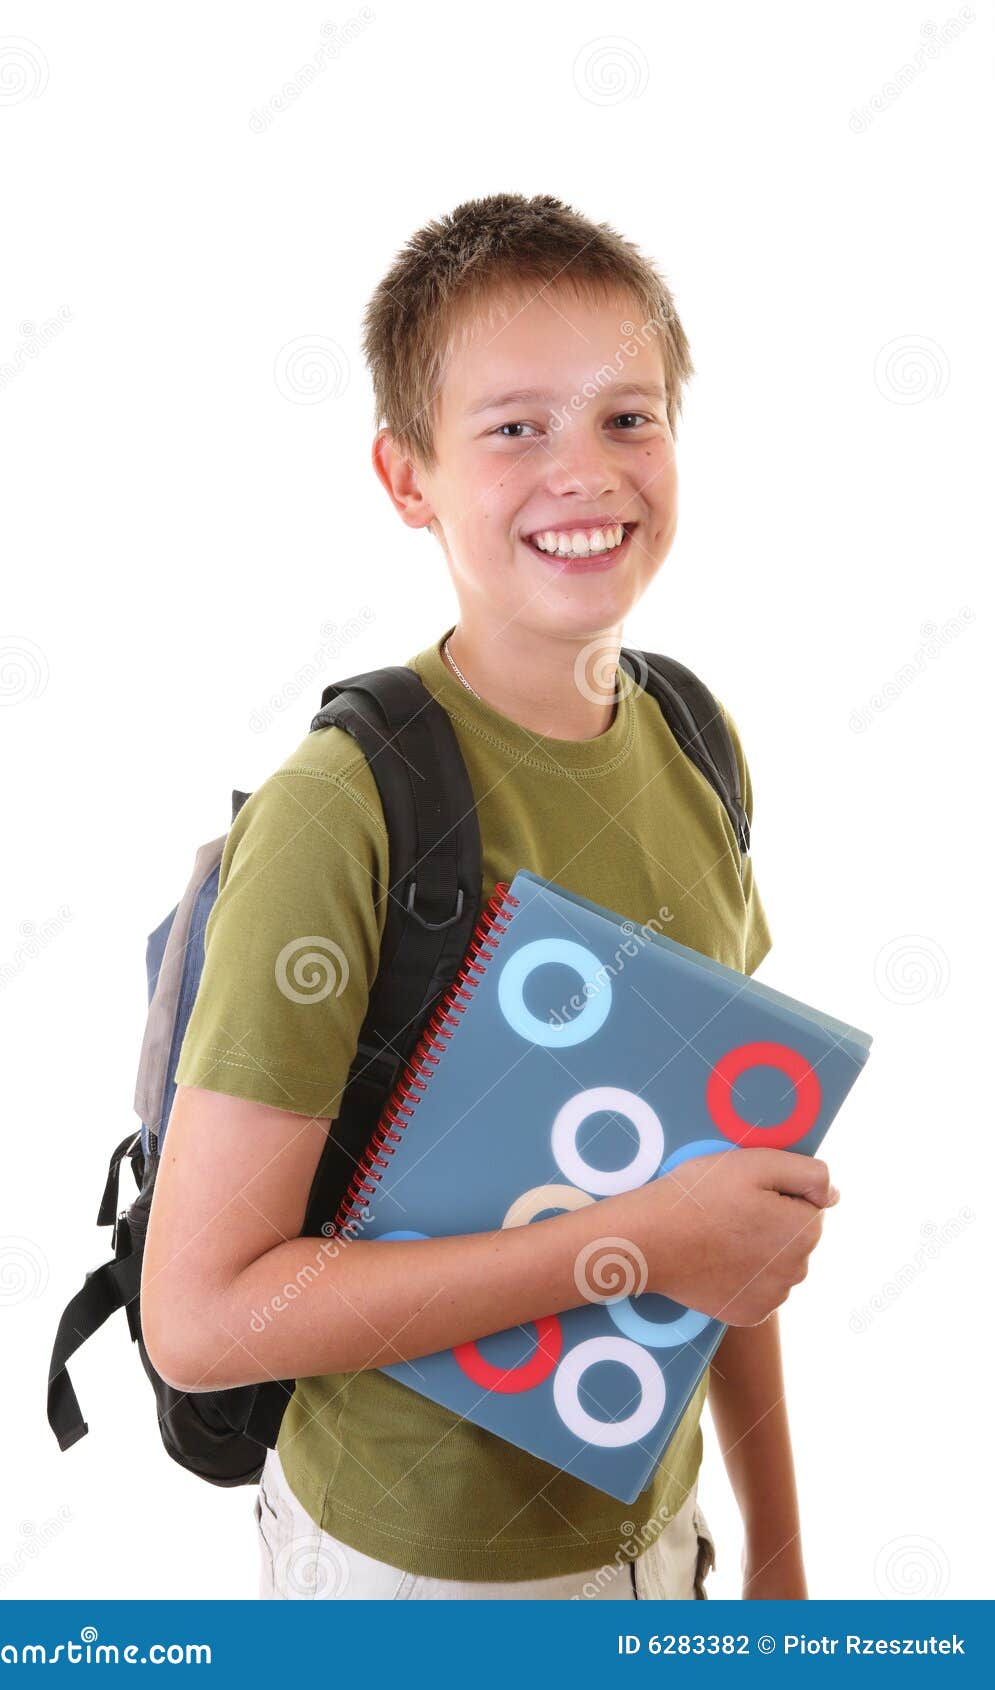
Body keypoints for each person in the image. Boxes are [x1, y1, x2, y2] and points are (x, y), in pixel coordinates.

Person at [141, 193, 839, 1601]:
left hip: (658, 1539)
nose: (585, 472)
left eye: (628, 419)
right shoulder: (345, 808)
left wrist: (778, 1553)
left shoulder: (696, 742)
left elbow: (723, 1205)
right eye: (516, 427)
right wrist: (640, 1241)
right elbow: (201, 1318)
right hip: (414, 1575)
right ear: (409, 477)